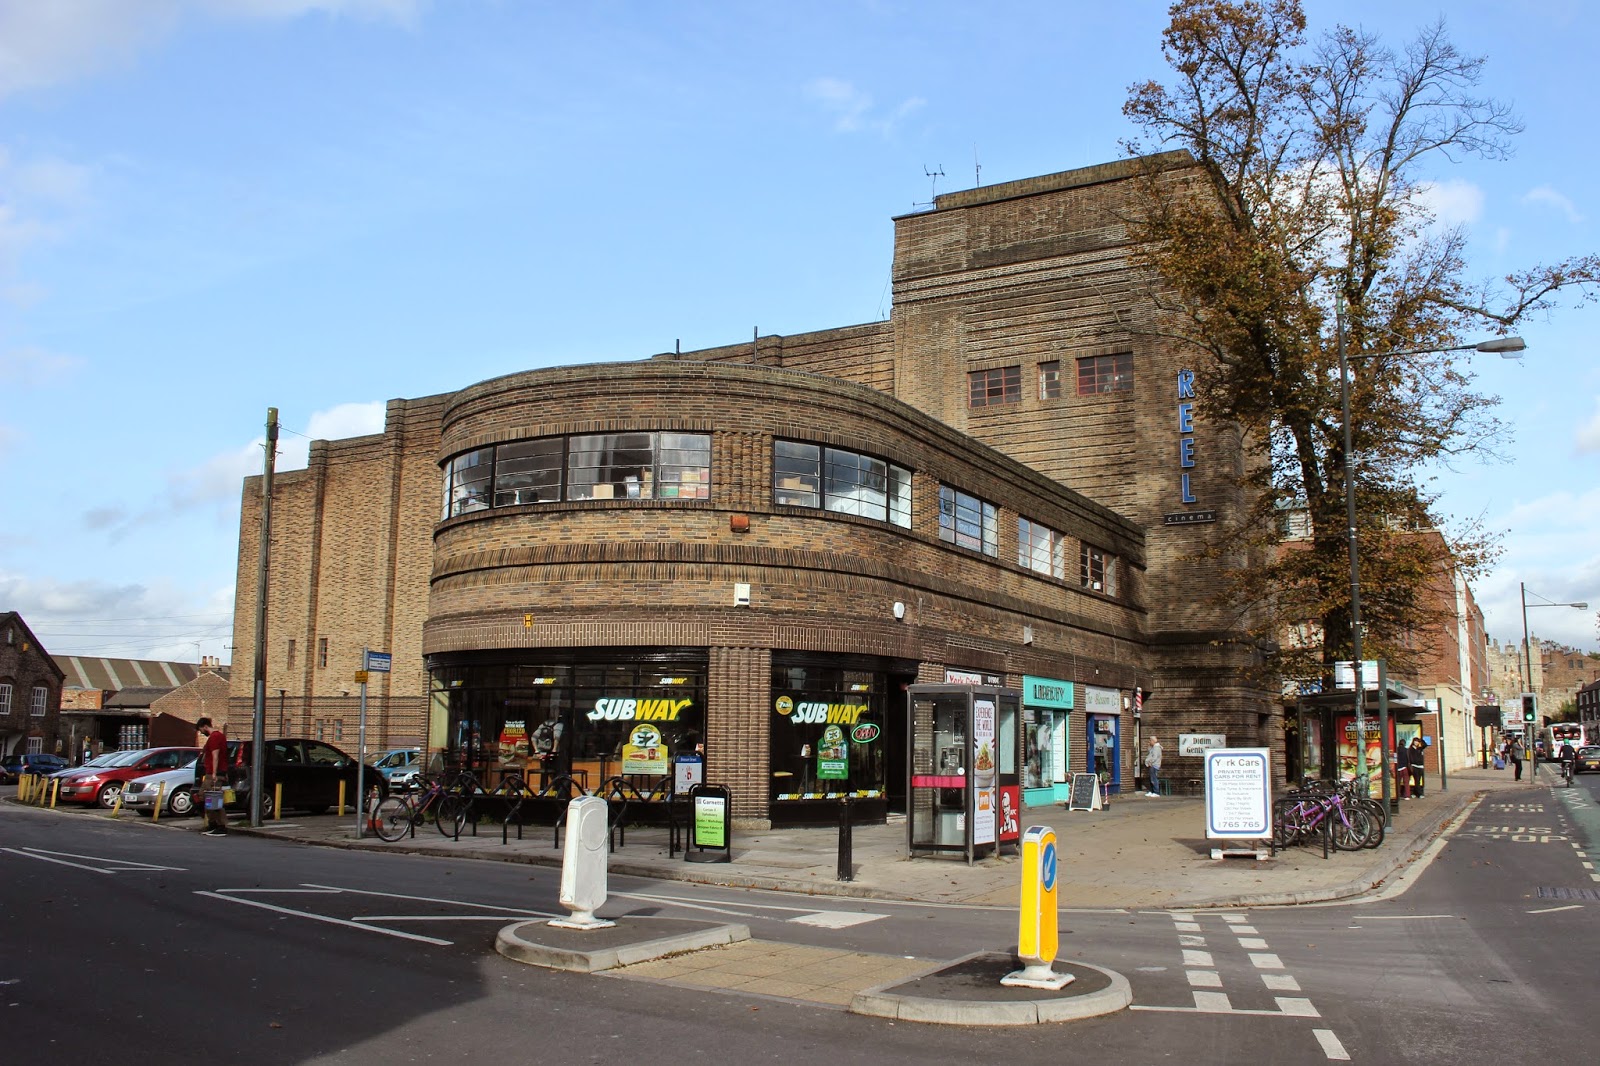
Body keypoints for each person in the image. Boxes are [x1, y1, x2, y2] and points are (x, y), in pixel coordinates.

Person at [196, 717, 229, 836]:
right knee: (204, 797)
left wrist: (214, 773)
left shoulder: (214, 738)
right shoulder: (219, 736)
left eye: (201, 730)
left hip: (213, 774)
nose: (201, 733)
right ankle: (213, 823)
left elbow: (216, 755)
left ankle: (219, 825)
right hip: (213, 772)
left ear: (205, 726)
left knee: (212, 799)